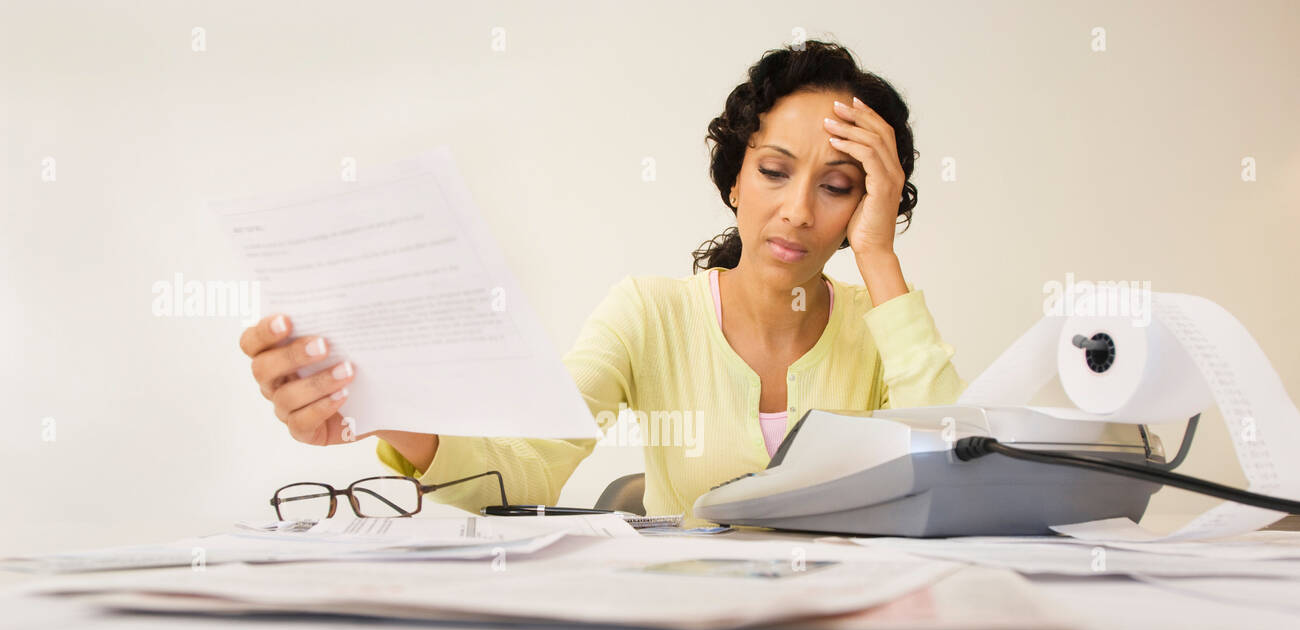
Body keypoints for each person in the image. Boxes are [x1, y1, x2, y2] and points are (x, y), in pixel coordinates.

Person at [239, 40, 966, 524]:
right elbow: (527, 472)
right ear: (735, 178)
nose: (798, 210)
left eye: (838, 187)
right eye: (774, 171)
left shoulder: (882, 325)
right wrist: (384, 407)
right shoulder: (647, 313)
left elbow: (955, 481)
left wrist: (879, 256)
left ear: (865, 204)